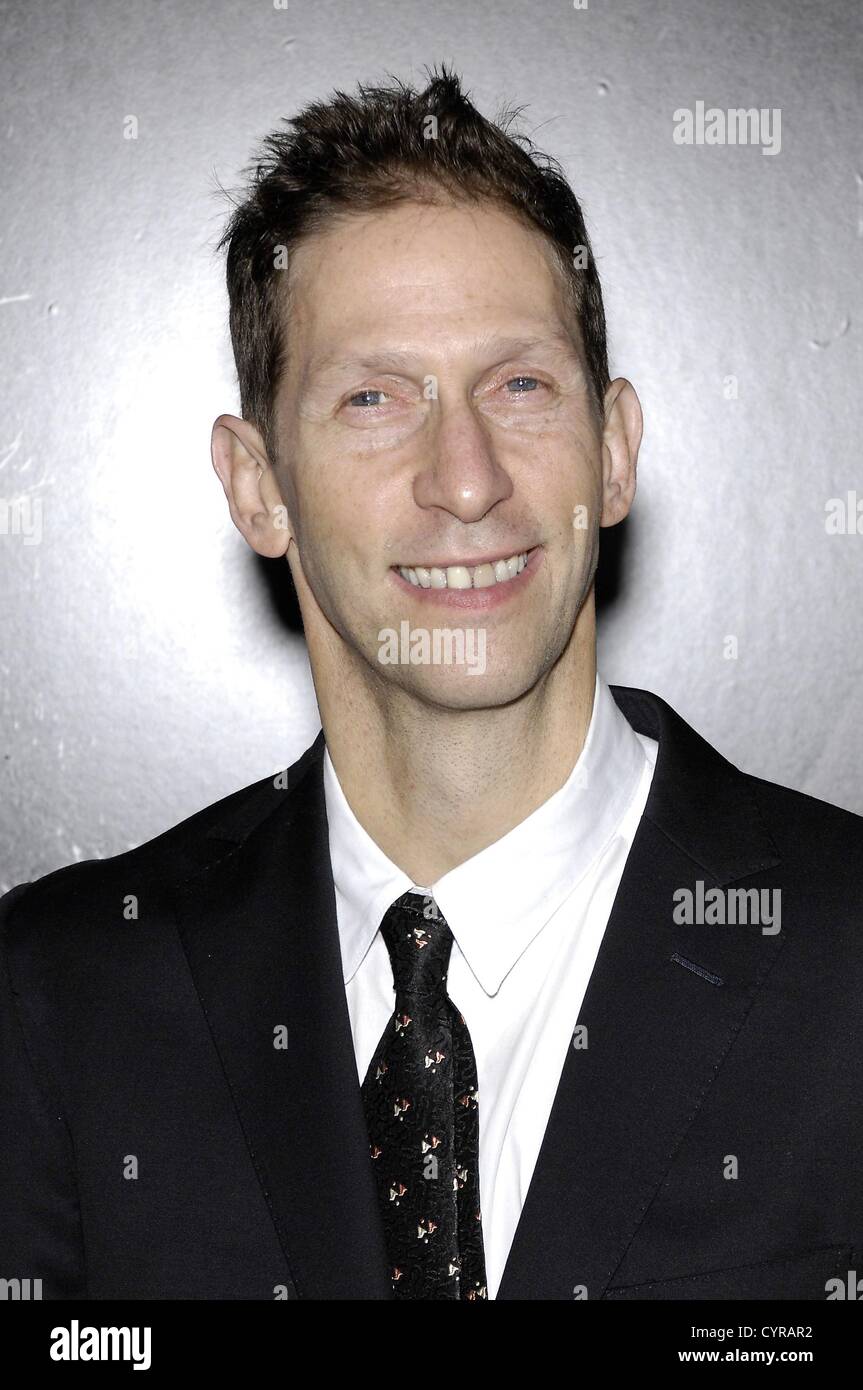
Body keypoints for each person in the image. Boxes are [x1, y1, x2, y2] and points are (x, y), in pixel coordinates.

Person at [1, 63, 861, 1302]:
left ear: (612, 452)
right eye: (372, 397)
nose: (465, 477)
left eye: (518, 385)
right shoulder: (64, 995)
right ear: (258, 487)